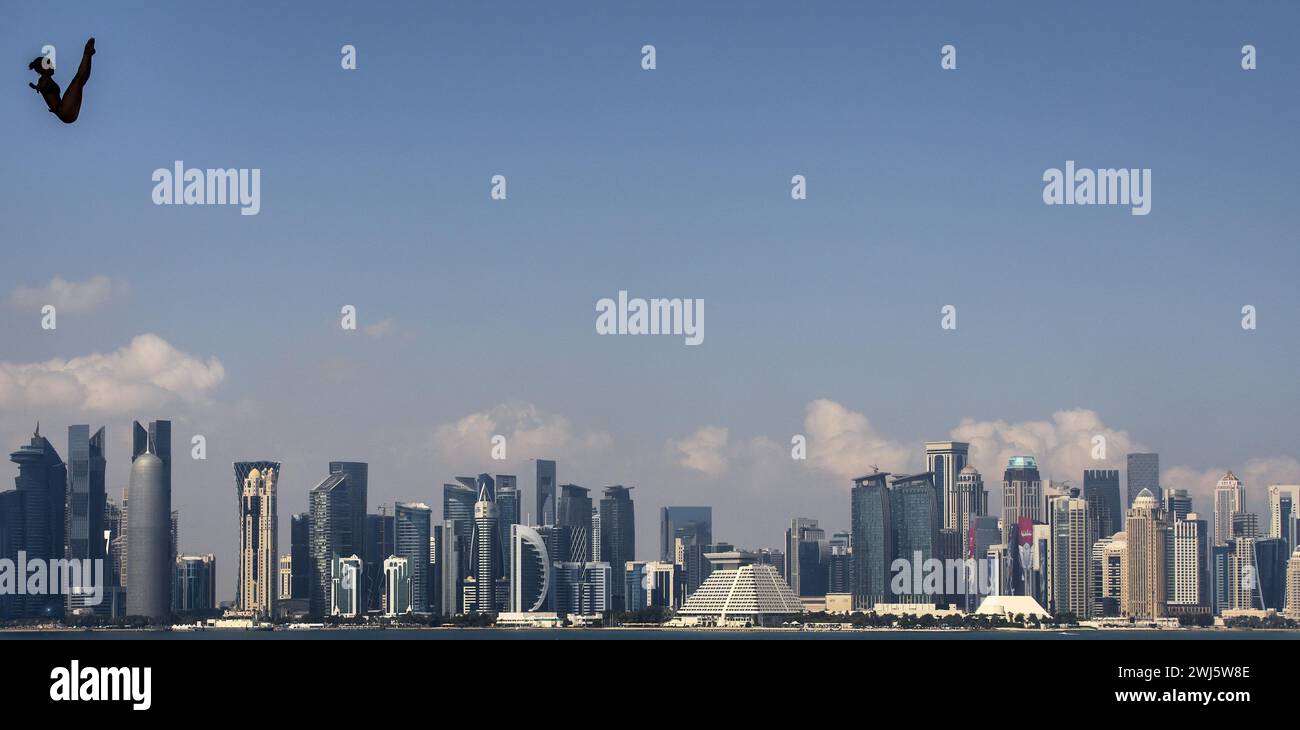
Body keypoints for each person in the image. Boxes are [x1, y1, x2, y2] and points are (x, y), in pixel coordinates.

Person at [29, 37, 95, 124]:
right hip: (65, 111)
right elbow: (42, 86)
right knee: (78, 80)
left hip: (67, 113)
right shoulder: (43, 80)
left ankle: (88, 54)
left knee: (79, 82)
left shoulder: (46, 79)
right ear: (45, 68)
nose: (53, 66)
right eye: (50, 64)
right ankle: (87, 53)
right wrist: (38, 87)